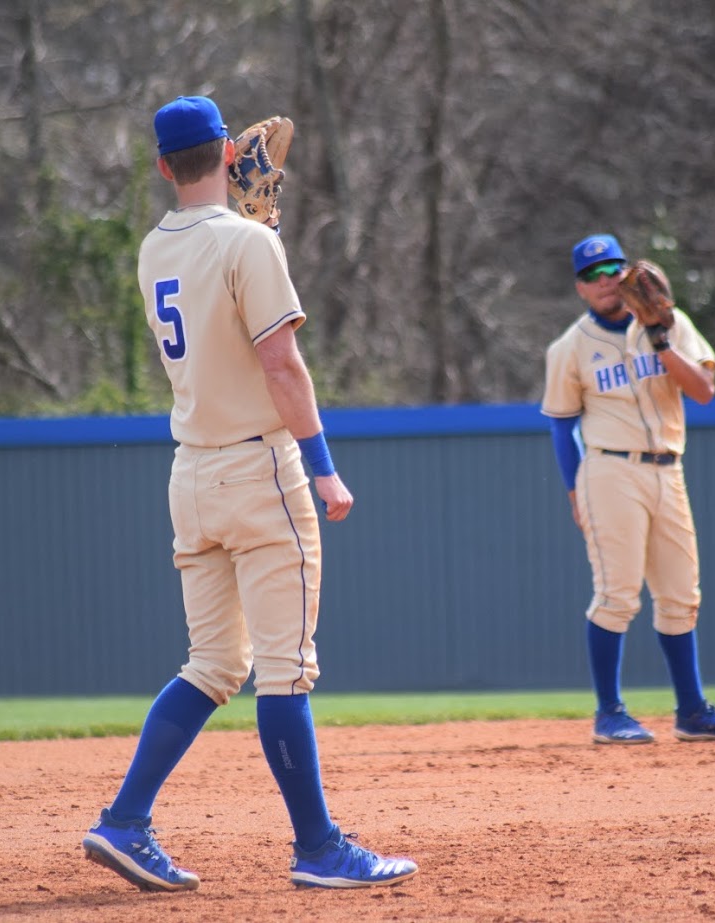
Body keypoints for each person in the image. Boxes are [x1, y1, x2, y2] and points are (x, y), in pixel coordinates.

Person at [81, 95, 417, 892]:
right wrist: (323, 462)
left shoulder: (152, 248)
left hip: (191, 472)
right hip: (260, 468)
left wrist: (256, 229)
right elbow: (280, 364)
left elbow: (219, 299)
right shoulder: (248, 244)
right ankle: (319, 848)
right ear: (231, 154)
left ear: (164, 165)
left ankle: (125, 819)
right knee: (284, 669)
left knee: (211, 662)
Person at [540, 233, 715, 746]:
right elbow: (560, 424)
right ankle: (610, 713)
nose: (605, 282)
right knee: (617, 595)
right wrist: (574, 491)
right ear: (579, 288)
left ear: (628, 273)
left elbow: (703, 392)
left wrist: (661, 341)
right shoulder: (569, 348)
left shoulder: (671, 324)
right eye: (592, 276)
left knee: (682, 596)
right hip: (608, 471)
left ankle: (692, 711)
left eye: (612, 270)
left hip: (669, 467)